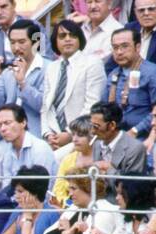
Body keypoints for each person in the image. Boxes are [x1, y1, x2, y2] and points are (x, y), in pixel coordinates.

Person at [41, 19, 104, 152]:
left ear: (80, 39)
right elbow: (46, 107)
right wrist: (47, 134)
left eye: (73, 35)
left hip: (82, 136)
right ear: (55, 42)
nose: (68, 39)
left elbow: (92, 105)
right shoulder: (52, 68)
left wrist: (70, 133)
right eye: (62, 36)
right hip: (53, 138)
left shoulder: (92, 63)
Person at [0, 164, 58, 234]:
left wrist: (28, 214)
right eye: (15, 192)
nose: (16, 196)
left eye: (20, 191)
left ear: (34, 192)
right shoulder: (18, 211)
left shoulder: (49, 213)